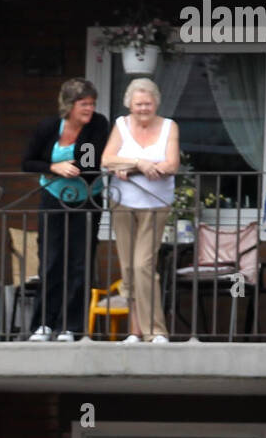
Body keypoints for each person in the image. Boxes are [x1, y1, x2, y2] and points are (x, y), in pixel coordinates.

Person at [22, 77, 111, 341]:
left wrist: (73, 167)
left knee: (79, 263)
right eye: (84, 104)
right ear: (69, 105)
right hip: (52, 198)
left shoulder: (98, 124)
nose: (89, 110)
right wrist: (54, 167)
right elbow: (28, 162)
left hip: (87, 201)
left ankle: (71, 326)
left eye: (92, 104)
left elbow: (90, 164)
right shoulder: (49, 127)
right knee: (51, 261)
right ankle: (43, 324)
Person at [101, 77, 180, 343]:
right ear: (129, 105)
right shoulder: (121, 125)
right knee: (129, 268)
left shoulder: (169, 127)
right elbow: (106, 159)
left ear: (156, 103)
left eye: (147, 103)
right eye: (138, 104)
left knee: (143, 265)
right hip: (122, 202)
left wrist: (129, 168)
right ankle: (135, 331)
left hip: (156, 204)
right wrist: (140, 162)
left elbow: (171, 165)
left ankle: (156, 330)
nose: (143, 109)